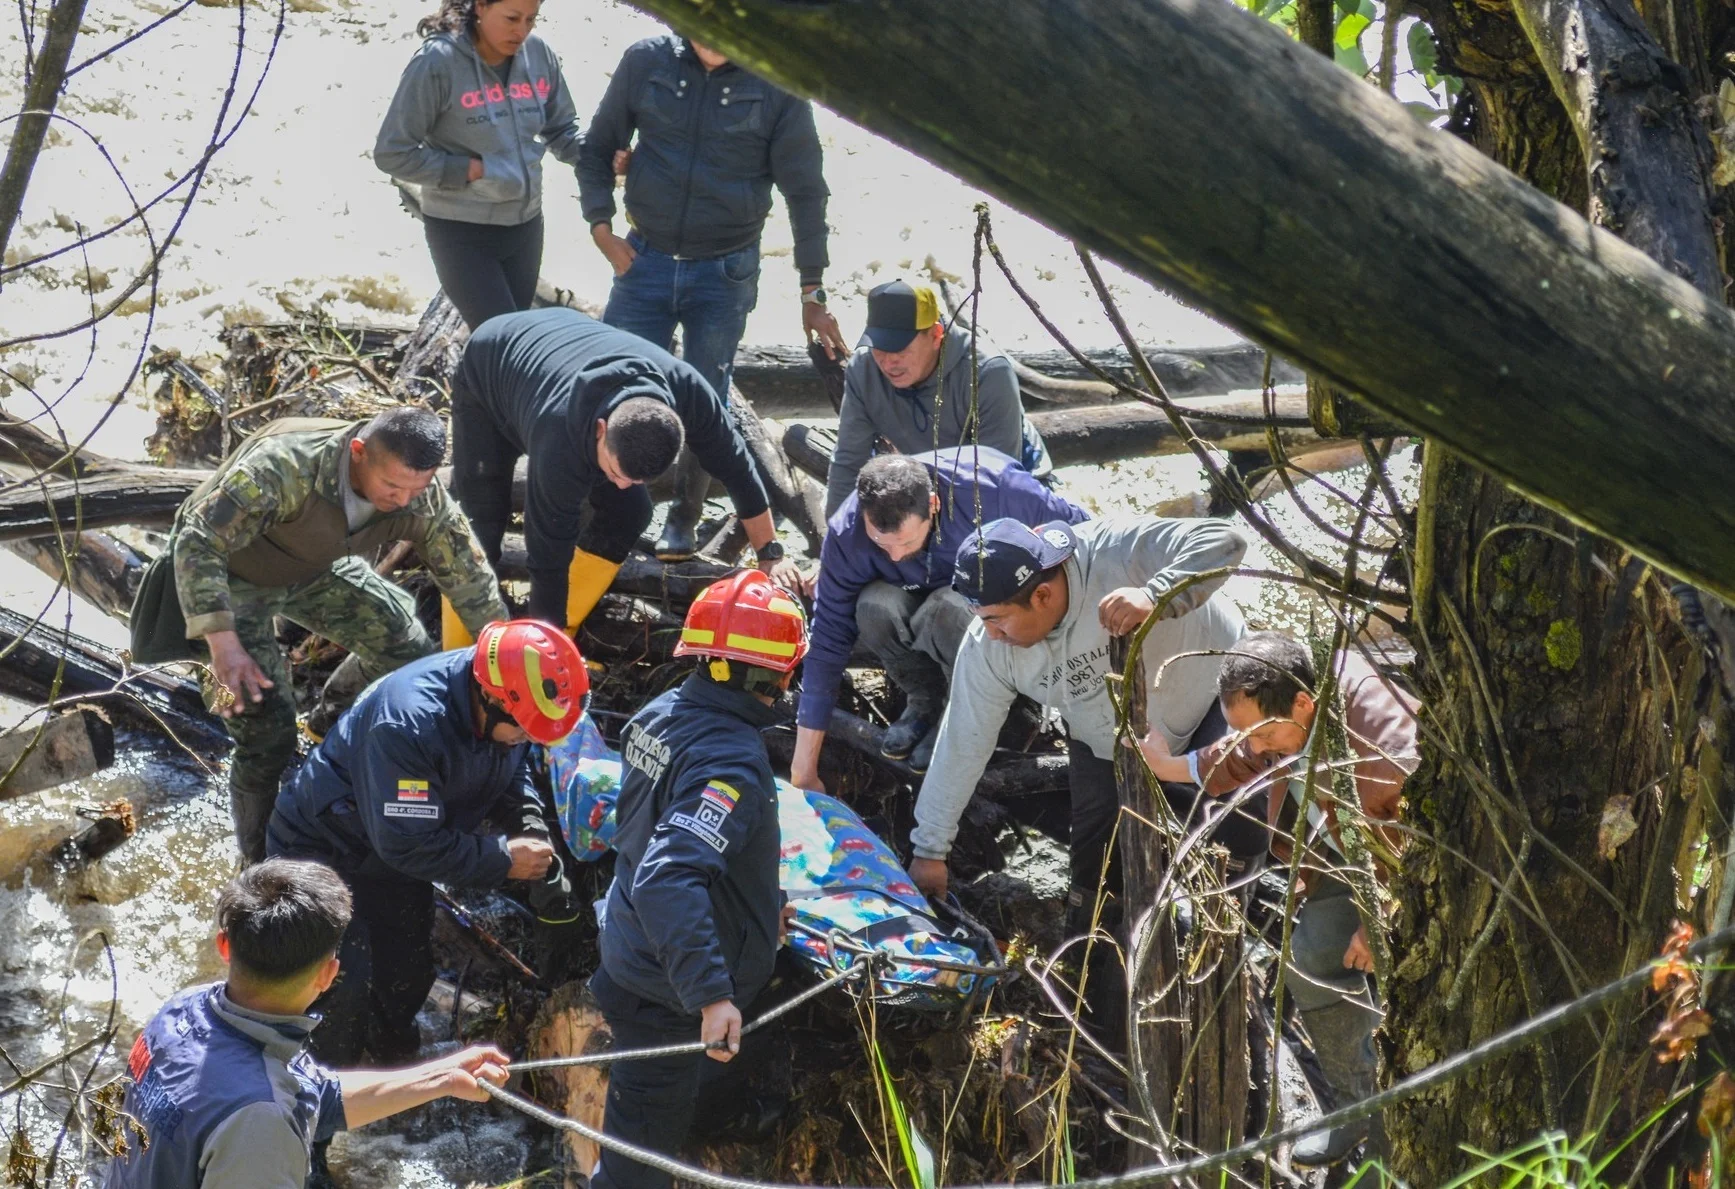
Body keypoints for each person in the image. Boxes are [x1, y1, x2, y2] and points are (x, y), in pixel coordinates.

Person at [136, 407, 506, 863]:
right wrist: (221, 642)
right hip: (228, 579)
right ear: (358, 454)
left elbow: (468, 573)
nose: (405, 500)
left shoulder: (415, 495)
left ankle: (325, 727)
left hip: (311, 566)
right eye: (393, 487)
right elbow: (198, 541)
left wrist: (505, 649)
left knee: (405, 647)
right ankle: (258, 863)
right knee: (263, 728)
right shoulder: (285, 466)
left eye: (419, 488)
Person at [1137, 631, 1415, 1166]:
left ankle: (1394, 1137)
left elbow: (1429, 843)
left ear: (1305, 704)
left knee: (1404, 987)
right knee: (1309, 959)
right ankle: (1358, 1106)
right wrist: (1168, 765)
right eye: (1246, 731)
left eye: (1260, 732)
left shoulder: (1384, 755)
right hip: (1344, 859)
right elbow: (1241, 754)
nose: (1254, 746)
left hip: (1403, 868)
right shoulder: (1280, 721)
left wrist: (1381, 919)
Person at [266, 620, 586, 1066]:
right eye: (525, 730)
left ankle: (393, 1074)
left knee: (407, 973)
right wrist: (502, 860)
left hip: (389, 856)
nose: (528, 740)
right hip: (322, 849)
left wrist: (530, 829)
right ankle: (320, 1105)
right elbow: (408, 844)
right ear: (491, 699)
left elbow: (513, 771)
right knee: (341, 985)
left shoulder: (507, 706)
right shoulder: (409, 724)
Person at [908, 515, 1253, 929]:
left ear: (1041, 596)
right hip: (1111, 738)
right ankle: (1101, 952)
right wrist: (929, 850)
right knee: (1095, 865)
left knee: (1239, 826)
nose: (991, 634)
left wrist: (1156, 594)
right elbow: (962, 741)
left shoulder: (1112, 551)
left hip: (1214, 693)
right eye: (981, 618)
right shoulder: (988, 649)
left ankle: (1225, 929)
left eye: (997, 619)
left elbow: (1226, 540)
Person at [578, 33, 847, 560]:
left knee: (704, 398)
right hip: (643, 259)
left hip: (725, 271)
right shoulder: (645, 61)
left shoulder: (777, 84)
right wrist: (600, 228)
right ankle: (607, 513)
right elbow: (595, 148)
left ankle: (682, 518)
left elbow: (806, 191)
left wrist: (812, 288)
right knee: (611, 385)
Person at [103, 858, 511, 1189]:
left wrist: (443, 1076)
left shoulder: (183, 1010)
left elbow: (320, 1098)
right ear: (328, 976)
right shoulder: (259, 1123)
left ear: (225, 946)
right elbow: (267, 1114)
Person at [589, 570, 807, 1189]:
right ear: (778, 675)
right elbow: (668, 874)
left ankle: (715, 1116)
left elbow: (650, 834)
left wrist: (764, 907)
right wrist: (711, 994)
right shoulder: (731, 761)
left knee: (701, 1074)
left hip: (643, 950)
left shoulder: (662, 712)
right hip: (666, 994)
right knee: (634, 1172)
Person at [443, 306, 800, 646]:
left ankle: (561, 635)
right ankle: (457, 654)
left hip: (561, 350)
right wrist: (538, 659)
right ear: (602, 430)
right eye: (616, 472)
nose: (620, 484)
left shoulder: (689, 391)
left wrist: (770, 554)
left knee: (631, 512)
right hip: (491, 365)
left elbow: (739, 470)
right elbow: (546, 559)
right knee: (483, 523)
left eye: (637, 480)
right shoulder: (560, 442)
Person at [790, 449, 1088, 783]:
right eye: (881, 544)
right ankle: (924, 699)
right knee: (873, 605)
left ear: (933, 504)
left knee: (949, 607)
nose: (896, 555)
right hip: (909, 610)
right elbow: (827, 640)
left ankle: (965, 709)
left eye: (905, 542)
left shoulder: (996, 488)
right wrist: (804, 767)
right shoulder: (846, 532)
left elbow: (1086, 535)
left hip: (974, 612)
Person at [374, 0, 583, 331]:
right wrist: (467, 170)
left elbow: (562, 132)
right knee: (505, 340)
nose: (522, 30)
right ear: (480, 7)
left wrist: (607, 159)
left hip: (526, 225)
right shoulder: (437, 62)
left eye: (531, 19)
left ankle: (470, 383)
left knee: (507, 345)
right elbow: (392, 153)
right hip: (462, 232)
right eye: (512, 18)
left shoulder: (539, 54)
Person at [824, 280, 1048, 519]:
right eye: (879, 348)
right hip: (929, 484)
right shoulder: (863, 368)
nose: (888, 363)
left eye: (899, 350)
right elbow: (848, 464)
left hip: (1012, 484)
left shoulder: (987, 372)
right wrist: (835, 539)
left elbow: (995, 477)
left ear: (935, 335)